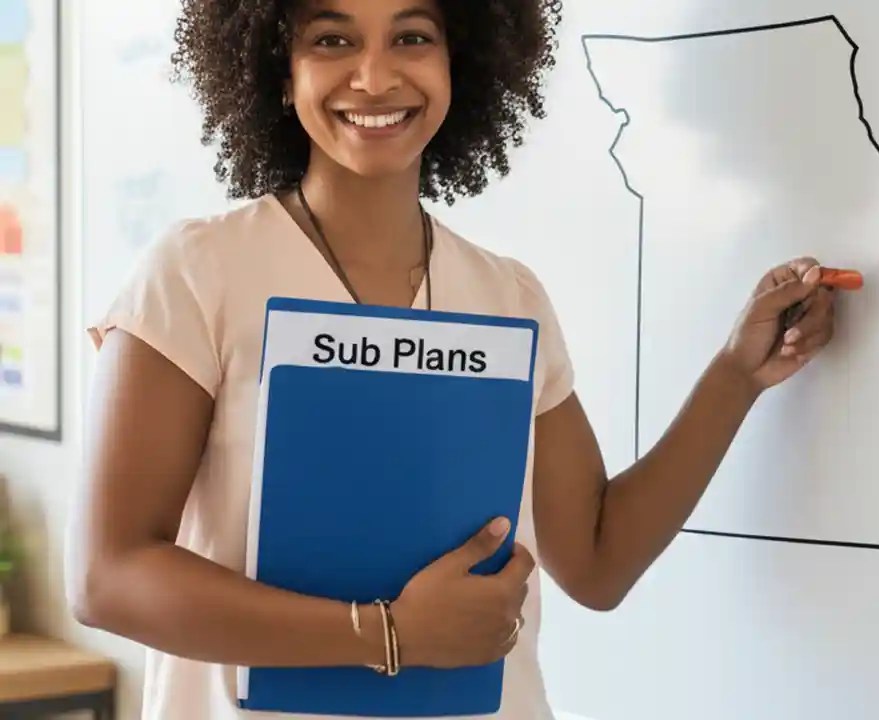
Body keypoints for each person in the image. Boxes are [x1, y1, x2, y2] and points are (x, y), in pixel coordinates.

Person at [65, 1, 839, 718]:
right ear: (279, 68)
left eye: (412, 37)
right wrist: (389, 635)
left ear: (459, 61)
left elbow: (599, 562)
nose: (375, 75)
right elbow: (109, 577)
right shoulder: (199, 274)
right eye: (332, 40)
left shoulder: (508, 297)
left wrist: (737, 376)